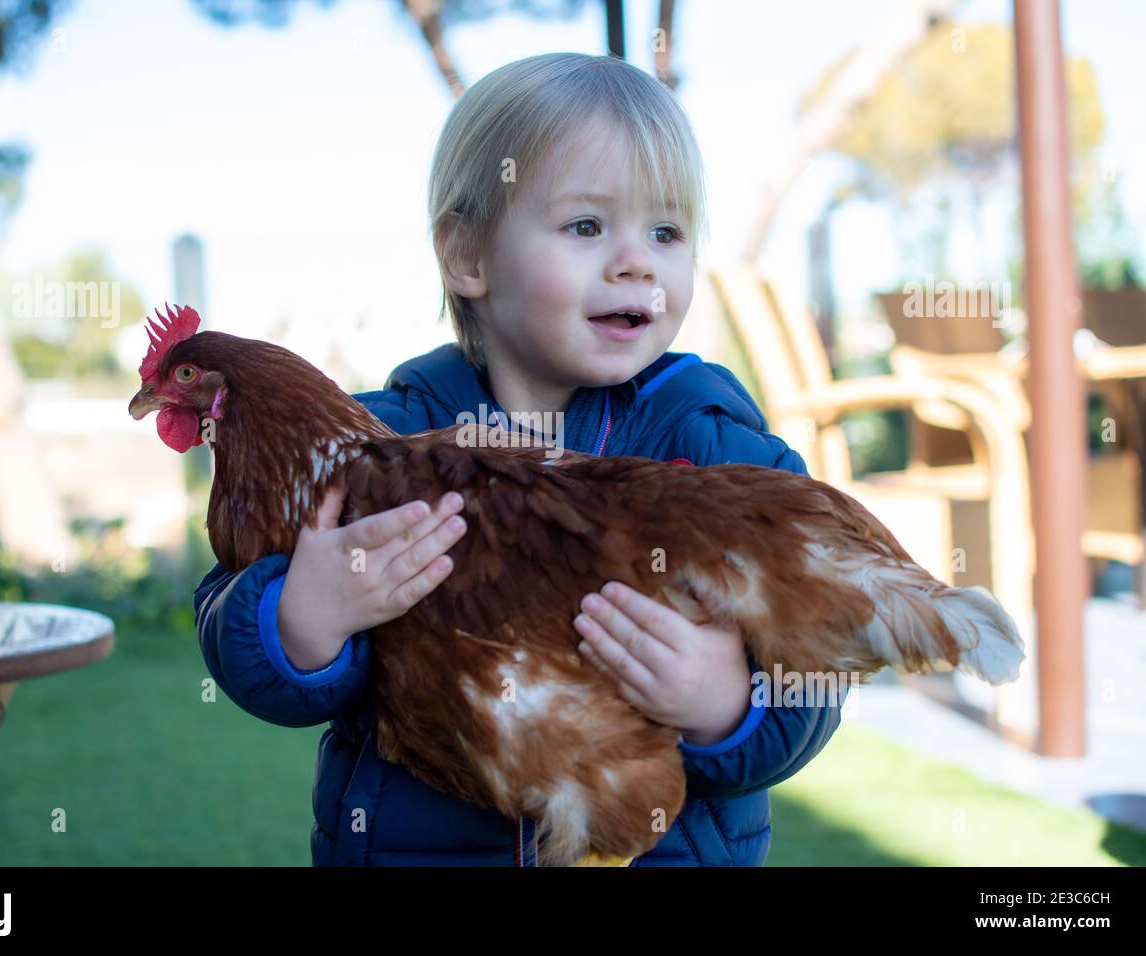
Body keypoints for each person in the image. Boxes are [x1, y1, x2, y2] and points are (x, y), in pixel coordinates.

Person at [195, 51, 840, 866]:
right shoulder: (380, 443)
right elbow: (225, 609)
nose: (637, 259)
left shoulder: (713, 446)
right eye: (585, 226)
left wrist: (725, 703)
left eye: (667, 231)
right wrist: (301, 616)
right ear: (467, 256)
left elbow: (819, 661)